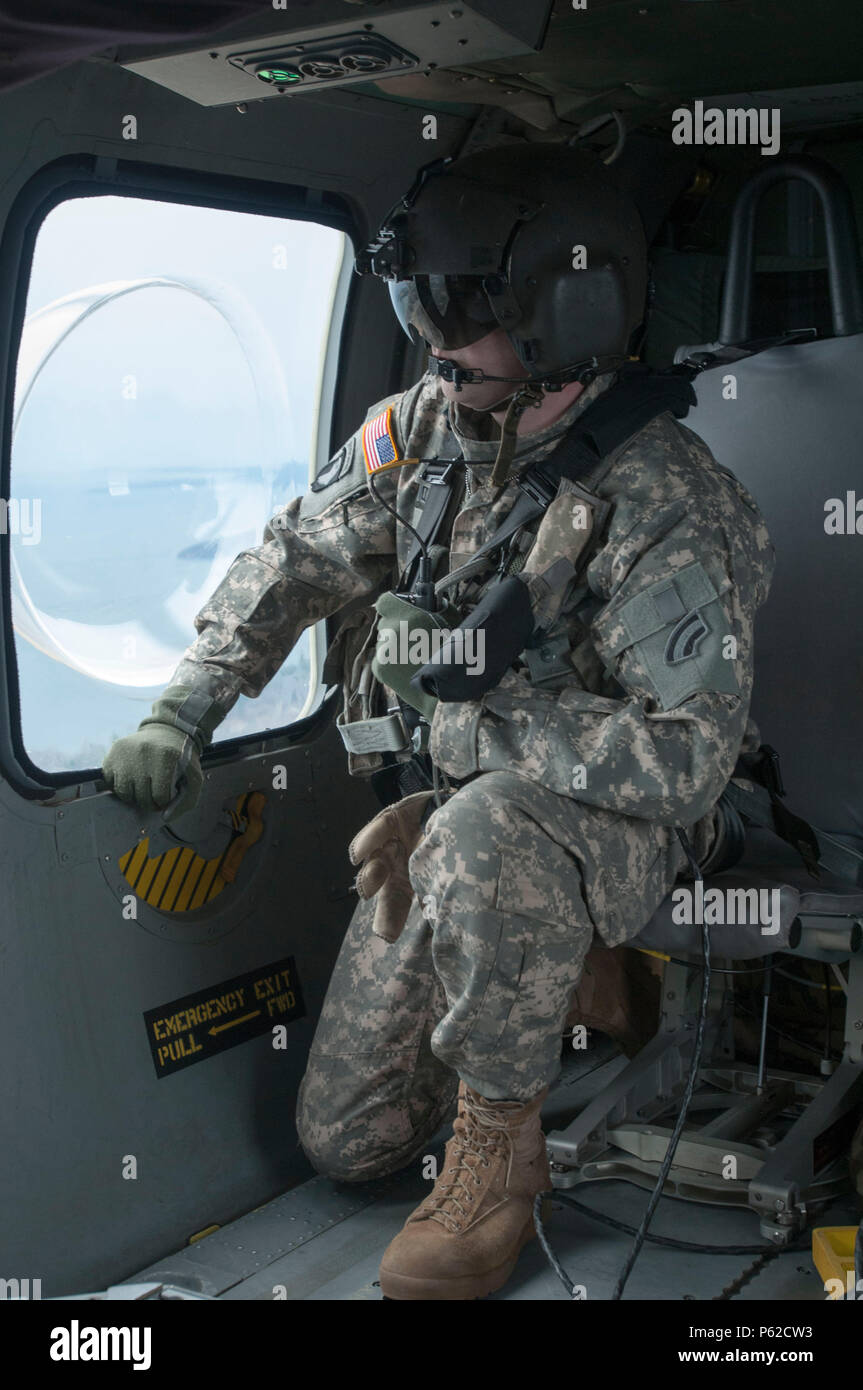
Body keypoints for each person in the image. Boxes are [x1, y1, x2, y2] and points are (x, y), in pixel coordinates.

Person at [103, 143, 774, 1300]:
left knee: (480, 832)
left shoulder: (663, 497)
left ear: (561, 317)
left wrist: (464, 741)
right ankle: (591, 979)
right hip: (468, 820)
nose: (430, 341)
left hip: (629, 825)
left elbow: (684, 758)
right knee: (350, 1143)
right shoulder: (426, 427)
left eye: (460, 314)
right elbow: (298, 554)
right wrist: (185, 704)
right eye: (423, 305)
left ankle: (496, 1167)